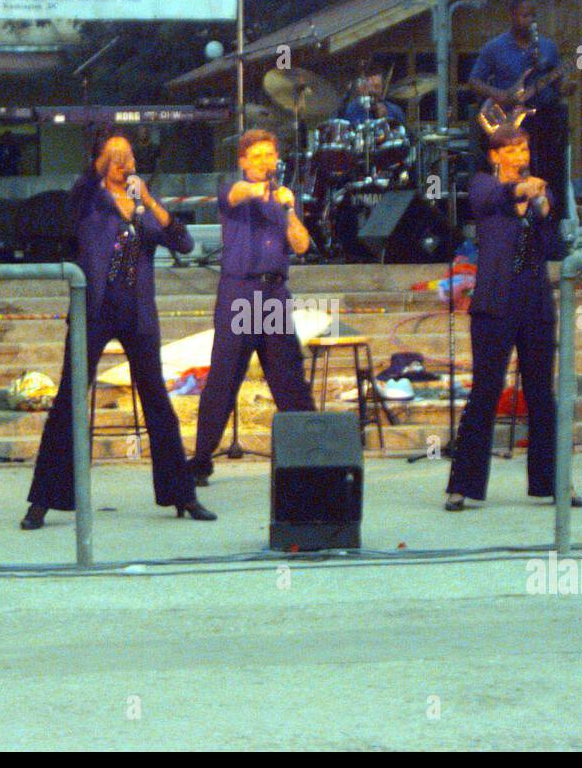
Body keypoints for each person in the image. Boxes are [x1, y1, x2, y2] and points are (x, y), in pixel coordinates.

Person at [21, 134, 215, 530]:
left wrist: (151, 202)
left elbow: (185, 241)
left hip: (138, 315)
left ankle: (182, 495)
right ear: (99, 162)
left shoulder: (142, 207)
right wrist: (99, 164)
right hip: (94, 311)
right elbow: (79, 189)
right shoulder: (88, 200)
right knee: (69, 399)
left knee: (157, 401)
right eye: (113, 157)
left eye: (126, 156)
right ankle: (43, 500)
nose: (121, 163)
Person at [445, 125, 582, 511]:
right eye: (510, 149)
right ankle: (462, 486)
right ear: (495, 156)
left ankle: (554, 483)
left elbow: (551, 240)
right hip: (495, 302)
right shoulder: (481, 186)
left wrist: (542, 206)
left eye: (523, 147)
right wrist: (523, 191)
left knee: (542, 394)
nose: (519, 154)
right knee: (485, 391)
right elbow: (500, 197)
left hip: (535, 300)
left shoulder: (542, 190)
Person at [190, 129, 316, 485]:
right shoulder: (233, 188)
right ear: (244, 161)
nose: (265, 161)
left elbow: (302, 245)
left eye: (270, 154)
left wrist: (288, 209)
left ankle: (310, 456)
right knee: (224, 377)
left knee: (289, 377)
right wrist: (262, 190)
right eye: (257, 155)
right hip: (240, 293)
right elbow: (237, 193)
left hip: (273, 293)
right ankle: (201, 459)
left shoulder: (285, 198)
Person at [468, 0, 573, 219]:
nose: (530, 20)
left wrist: (566, 88)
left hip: (544, 119)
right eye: (525, 15)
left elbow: (556, 83)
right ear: (513, 16)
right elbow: (475, 81)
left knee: (548, 171)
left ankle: (549, 221)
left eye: (533, 16)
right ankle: (514, 213)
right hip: (510, 123)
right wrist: (500, 95)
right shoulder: (495, 47)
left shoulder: (547, 47)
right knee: (514, 170)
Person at [339, 72, 405, 126]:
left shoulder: (394, 110)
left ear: (382, 89)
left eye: (376, 87)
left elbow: (404, 135)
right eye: (368, 86)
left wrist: (386, 119)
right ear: (361, 88)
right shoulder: (349, 110)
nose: (372, 90)